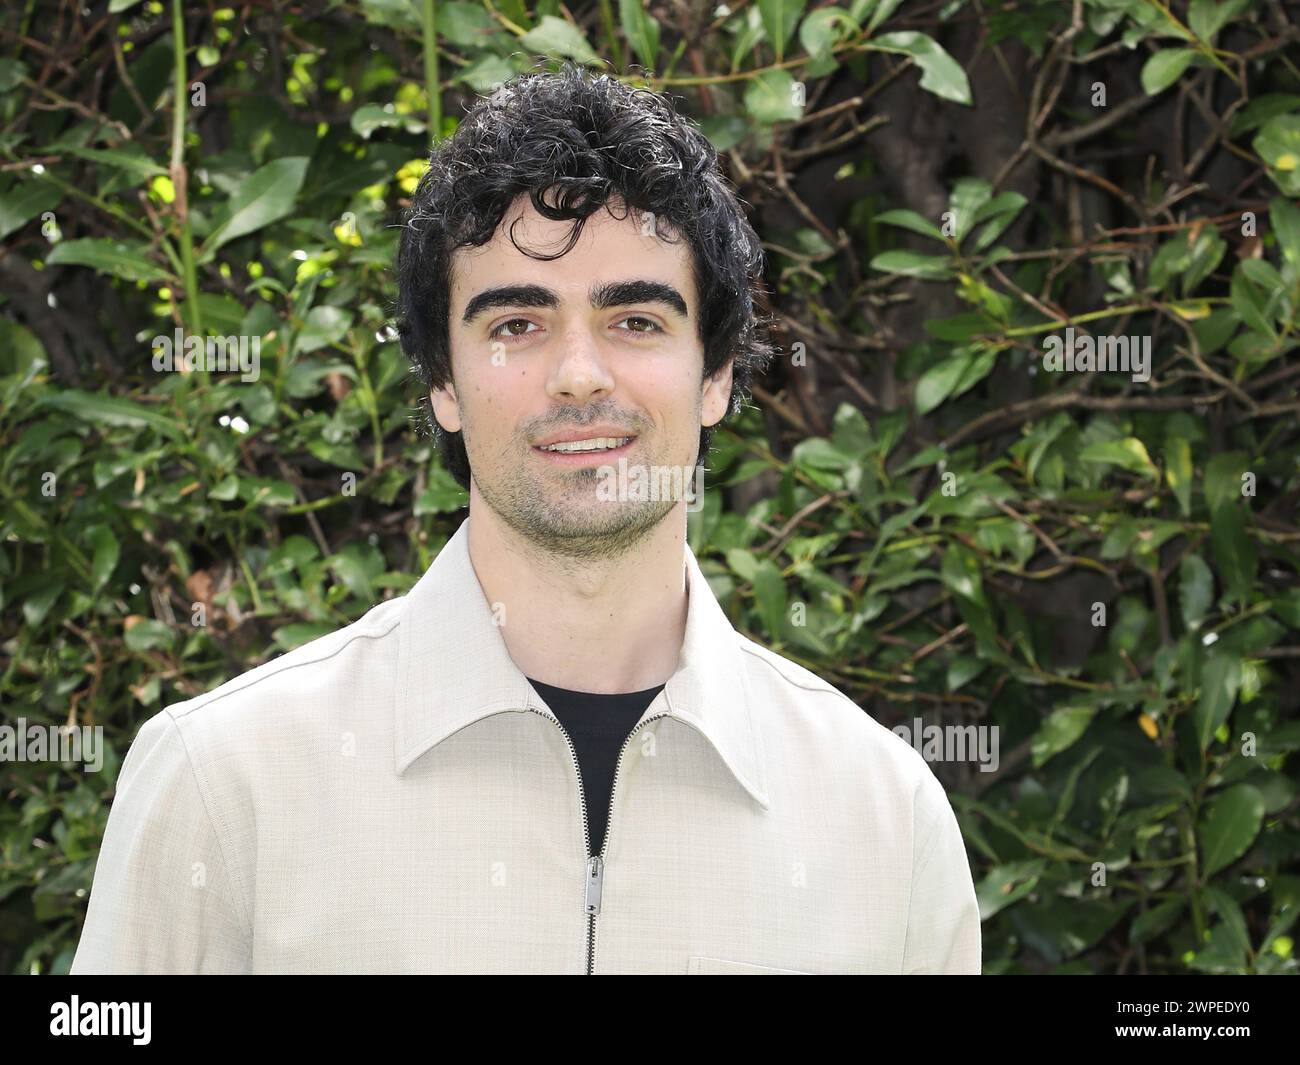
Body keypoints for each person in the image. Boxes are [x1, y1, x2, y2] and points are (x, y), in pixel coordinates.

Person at [71, 62, 981, 975]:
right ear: (443, 383)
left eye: (635, 320)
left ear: (716, 377)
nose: (580, 375)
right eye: (516, 323)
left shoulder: (883, 818)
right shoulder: (225, 785)